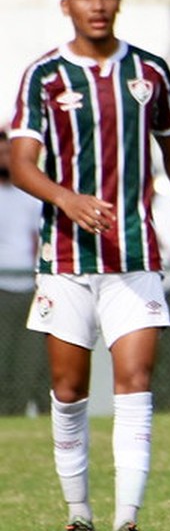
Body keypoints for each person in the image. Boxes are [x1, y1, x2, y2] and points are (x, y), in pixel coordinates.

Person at [8, 0, 170, 531]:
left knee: (134, 380)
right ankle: (79, 515)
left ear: (118, 2)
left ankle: (127, 519)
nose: (97, 4)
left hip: (135, 257)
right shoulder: (44, 77)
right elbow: (21, 163)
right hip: (66, 260)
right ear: (67, 6)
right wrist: (65, 199)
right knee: (69, 389)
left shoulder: (149, 71)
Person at [0, 130, 48, 416]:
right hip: (1, 289)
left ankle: (19, 412)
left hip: (26, 290)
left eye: (8, 152)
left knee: (28, 362)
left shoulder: (29, 197)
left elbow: (36, 241)